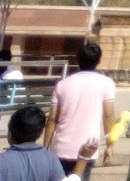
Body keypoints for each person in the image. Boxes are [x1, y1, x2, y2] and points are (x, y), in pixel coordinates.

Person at [43, 43, 116, 179]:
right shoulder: (106, 83)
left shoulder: (62, 84)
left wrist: (45, 148)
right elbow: (108, 115)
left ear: (77, 60)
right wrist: (110, 145)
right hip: (87, 149)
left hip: (60, 148)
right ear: (98, 60)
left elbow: (52, 119)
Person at [1, 105, 97, 181]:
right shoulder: (50, 159)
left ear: (10, 134)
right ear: (40, 133)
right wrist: (83, 159)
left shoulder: (3, 161)